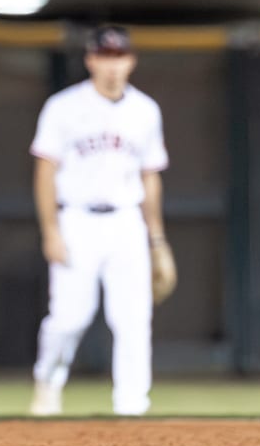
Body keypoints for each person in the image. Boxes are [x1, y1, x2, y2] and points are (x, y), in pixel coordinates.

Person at [28, 24, 169, 418]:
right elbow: (45, 172)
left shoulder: (145, 110)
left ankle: (132, 406)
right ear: (90, 60)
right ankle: (48, 381)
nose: (112, 64)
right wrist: (51, 230)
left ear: (131, 61)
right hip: (77, 219)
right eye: (104, 56)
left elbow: (150, 176)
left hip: (127, 223)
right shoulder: (63, 106)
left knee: (133, 319)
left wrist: (156, 239)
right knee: (69, 318)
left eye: (119, 56)